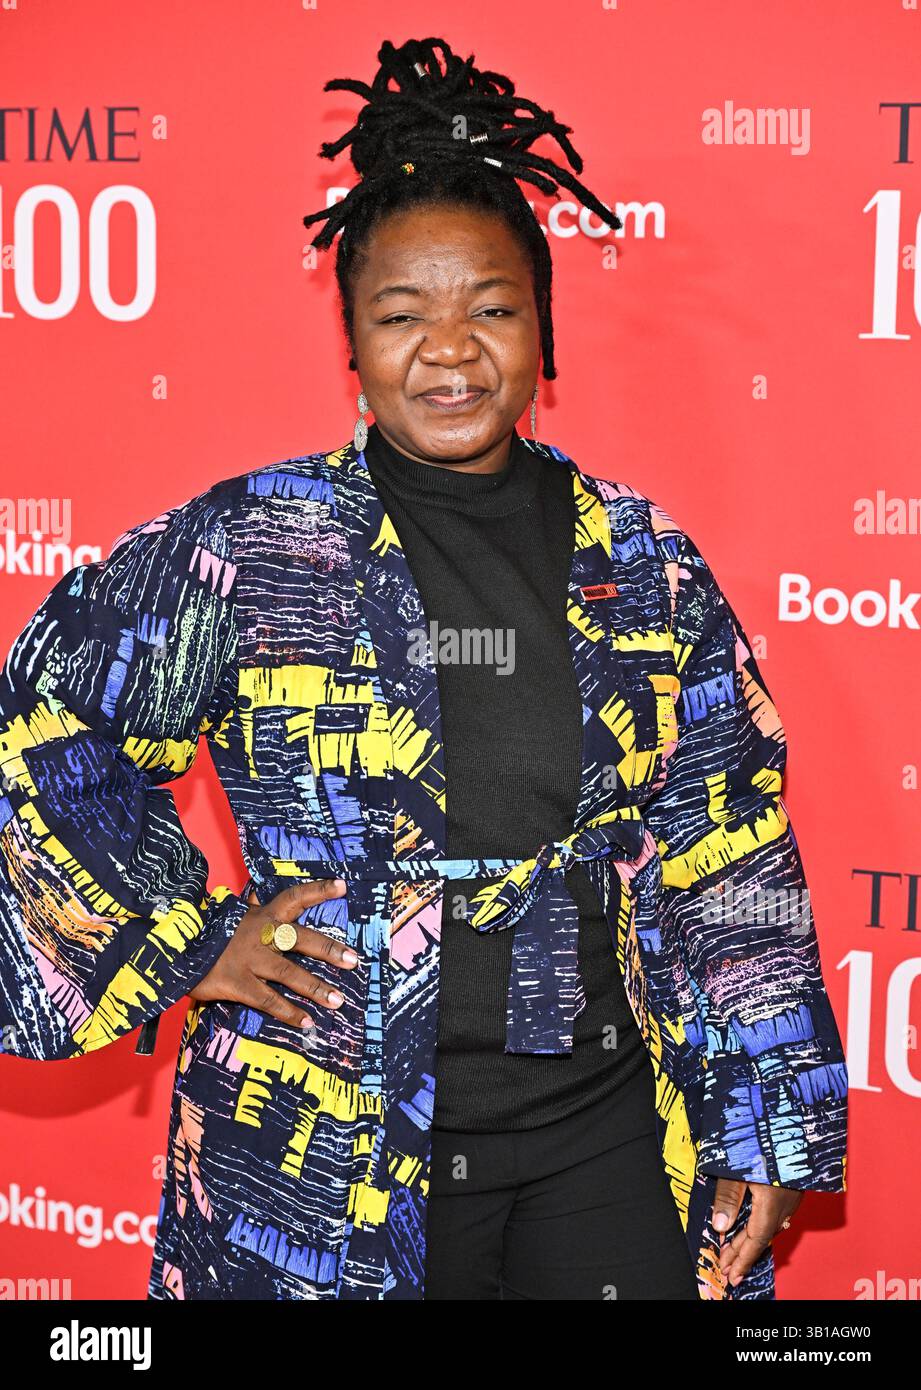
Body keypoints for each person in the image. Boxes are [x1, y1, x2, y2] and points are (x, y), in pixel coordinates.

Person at [0, 36, 847, 1301]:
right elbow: (44, 726)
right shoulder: (253, 543)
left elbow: (729, 844)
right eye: (403, 316)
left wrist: (767, 1118)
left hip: (606, 1132)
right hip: (330, 1142)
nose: (449, 351)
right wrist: (186, 938)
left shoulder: (647, 556)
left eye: (491, 309)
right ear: (353, 340)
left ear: (543, 330)